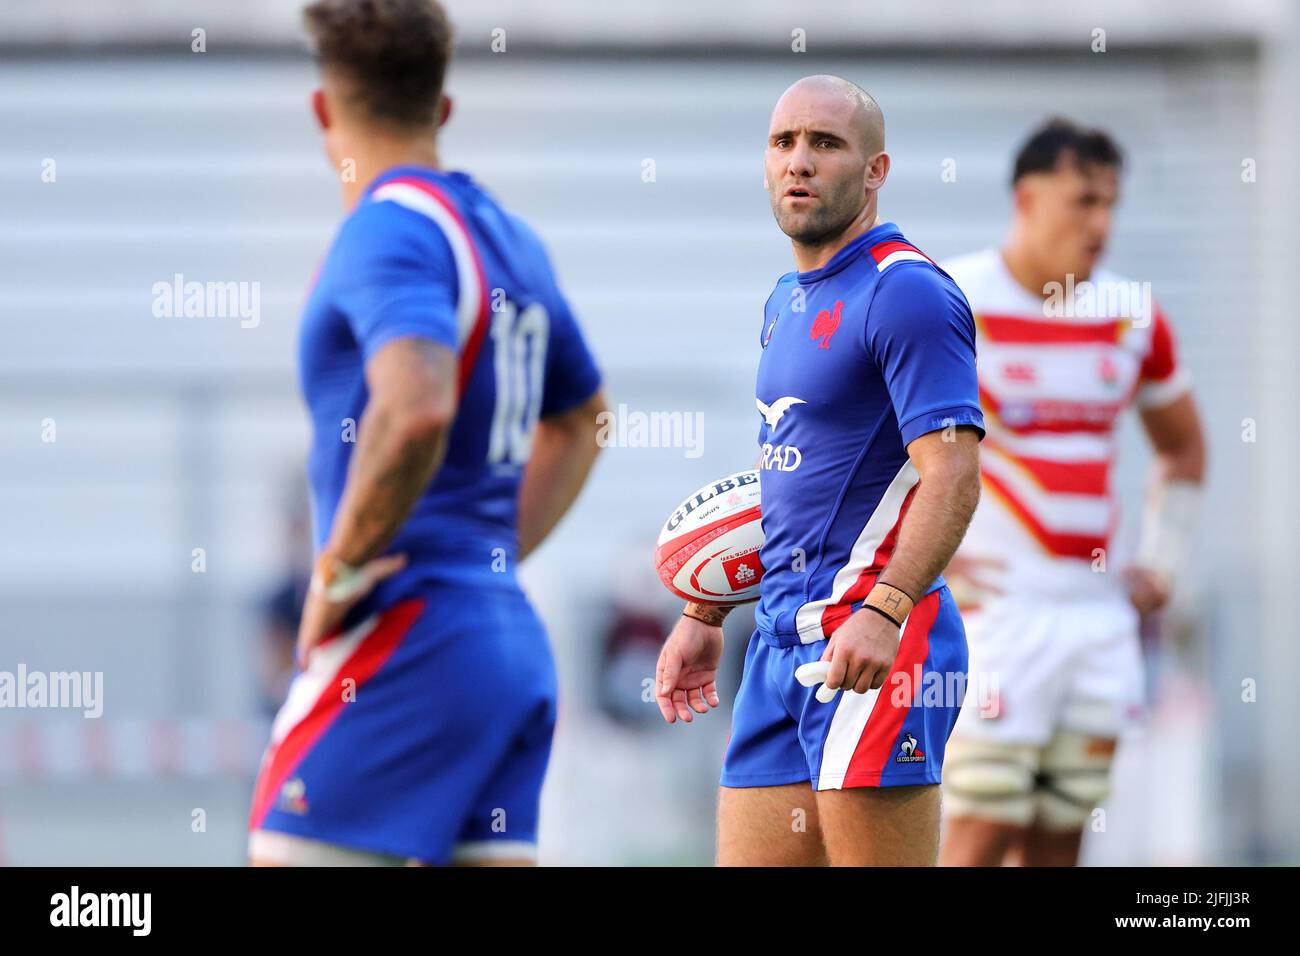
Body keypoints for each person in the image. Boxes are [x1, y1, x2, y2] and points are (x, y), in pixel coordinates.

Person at [248, 0, 606, 866]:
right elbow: (583, 421)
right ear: (441, 108)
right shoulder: (512, 239)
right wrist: (485, 567)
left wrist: (336, 572)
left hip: (400, 634)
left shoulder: (386, 228)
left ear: (322, 109)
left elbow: (415, 406)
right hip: (502, 641)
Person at [654, 75, 984, 866]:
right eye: (783, 142)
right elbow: (796, 474)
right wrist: (705, 612)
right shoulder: (784, 299)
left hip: (872, 644)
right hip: (775, 647)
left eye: (826, 144)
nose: (799, 161)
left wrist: (887, 607)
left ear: (875, 171)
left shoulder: (907, 294)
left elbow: (952, 476)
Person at [938, 118, 1206, 867]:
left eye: (1111, 204)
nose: (1101, 223)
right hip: (996, 616)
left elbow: (1184, 448)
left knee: (1061, 835)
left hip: (1097, 617)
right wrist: (921, 564)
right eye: (1082, 201)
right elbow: (873, 449)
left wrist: (1164, 559)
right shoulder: (955, 300)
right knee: (983, 827)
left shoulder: (1132, 314)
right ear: (1027, 198)